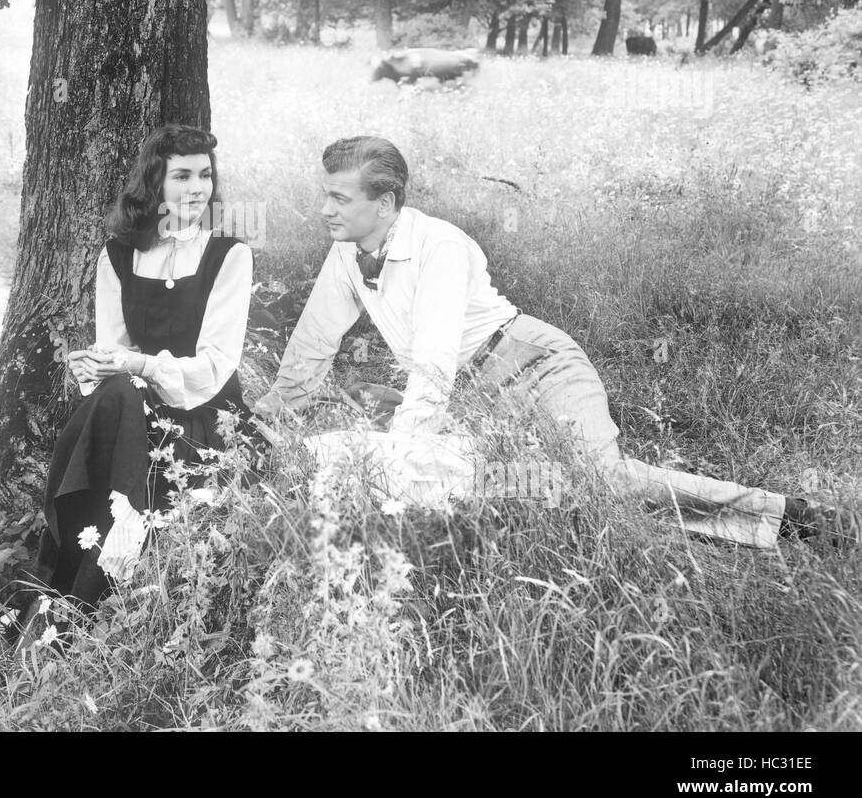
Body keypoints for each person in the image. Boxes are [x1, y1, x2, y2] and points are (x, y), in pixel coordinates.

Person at [252, 135, 854, 550]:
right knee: (526, 495)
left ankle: (794, 521)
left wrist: (403, 449)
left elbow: (433, 360)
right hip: (473, 394)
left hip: (534, 365)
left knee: (600, 480)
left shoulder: (441, 246)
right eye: (324, 193)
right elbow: (313, 342)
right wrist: (265, 426)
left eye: (338, 197)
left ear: (383, 203)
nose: (324, 208)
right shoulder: (345, 254)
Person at [28, 123, 254, 623]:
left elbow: (216, 365)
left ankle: (80, 575)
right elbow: (116, 351)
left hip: (204, 414)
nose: (196, 189)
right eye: (180, 176)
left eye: (204, 176)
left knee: (124, 392)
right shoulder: (117, 255)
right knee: (117, 390)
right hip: (135, 406)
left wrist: (132, 365)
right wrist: (94, 362)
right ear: (154, 181)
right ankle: (86, 573)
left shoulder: (229, 256)